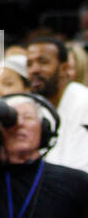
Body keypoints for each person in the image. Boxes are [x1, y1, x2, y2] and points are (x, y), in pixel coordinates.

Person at [26, 34, 88, 172]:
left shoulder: (84, 101)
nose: (34, 69)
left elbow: (81, 170)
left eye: (43, 62)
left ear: (64, 69)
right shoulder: (32, 106)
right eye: (29, 64)